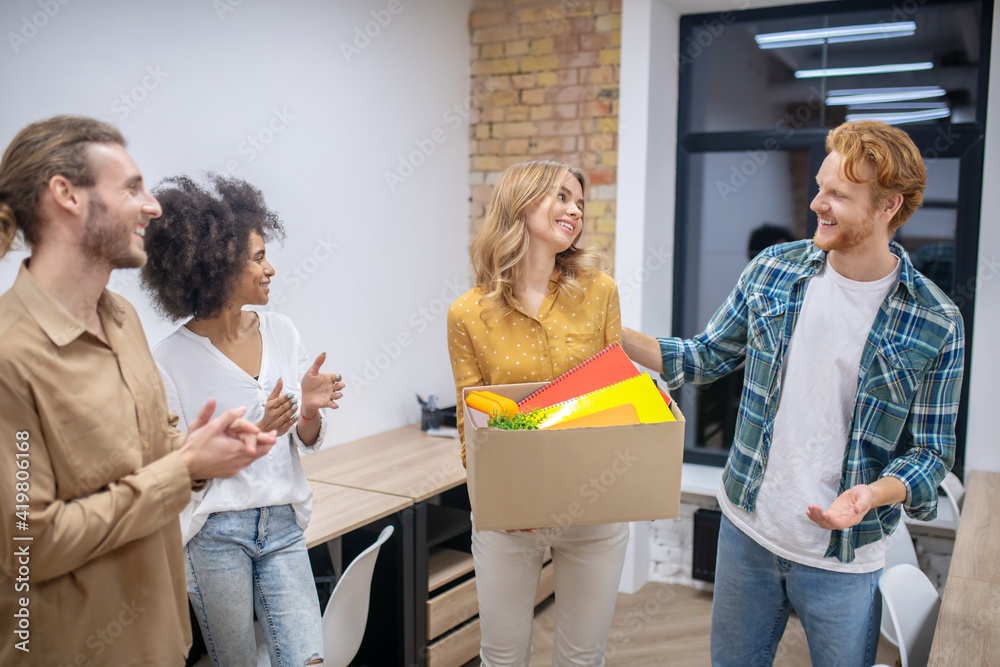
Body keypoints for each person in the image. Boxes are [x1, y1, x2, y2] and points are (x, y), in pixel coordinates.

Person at [623, 120, 964, 666]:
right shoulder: (774, 272)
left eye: (837, 195)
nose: (817, 204)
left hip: (844, 558)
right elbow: (704, 356)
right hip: (746, 531)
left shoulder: (935, 321)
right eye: (820, 187)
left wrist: (872, 495)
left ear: (888, 207)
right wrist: (611, 333)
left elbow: (931, 452)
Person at [0, 116, 277, 666]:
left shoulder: (123, 318)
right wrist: (180, 470)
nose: (153, 207)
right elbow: (29, 545)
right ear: (66, 196)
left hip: (162, 643)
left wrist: (198, 456)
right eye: (131, 187)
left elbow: (149, 453)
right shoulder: (11, 354)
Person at [140, 174, 344, 667]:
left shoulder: (281, 331)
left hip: (282, 526)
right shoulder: (168, 360)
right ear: (216, 266)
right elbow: (181, 469)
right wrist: (260, 433)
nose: (271, 268)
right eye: (258, 258)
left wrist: (309, 413)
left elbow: (305, 439)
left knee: (308, 661)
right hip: (214, 535)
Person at [447, 160, 629, 666]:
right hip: (509, 516)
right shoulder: (468, 313)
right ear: (521, 202)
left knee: (581, 656)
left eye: (579, 202)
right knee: (502, 656)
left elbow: (614, 402)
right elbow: (471, 425)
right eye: (561, 197)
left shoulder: (600, 293)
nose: (574, 210)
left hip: (594, 509)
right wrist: (503, 500)